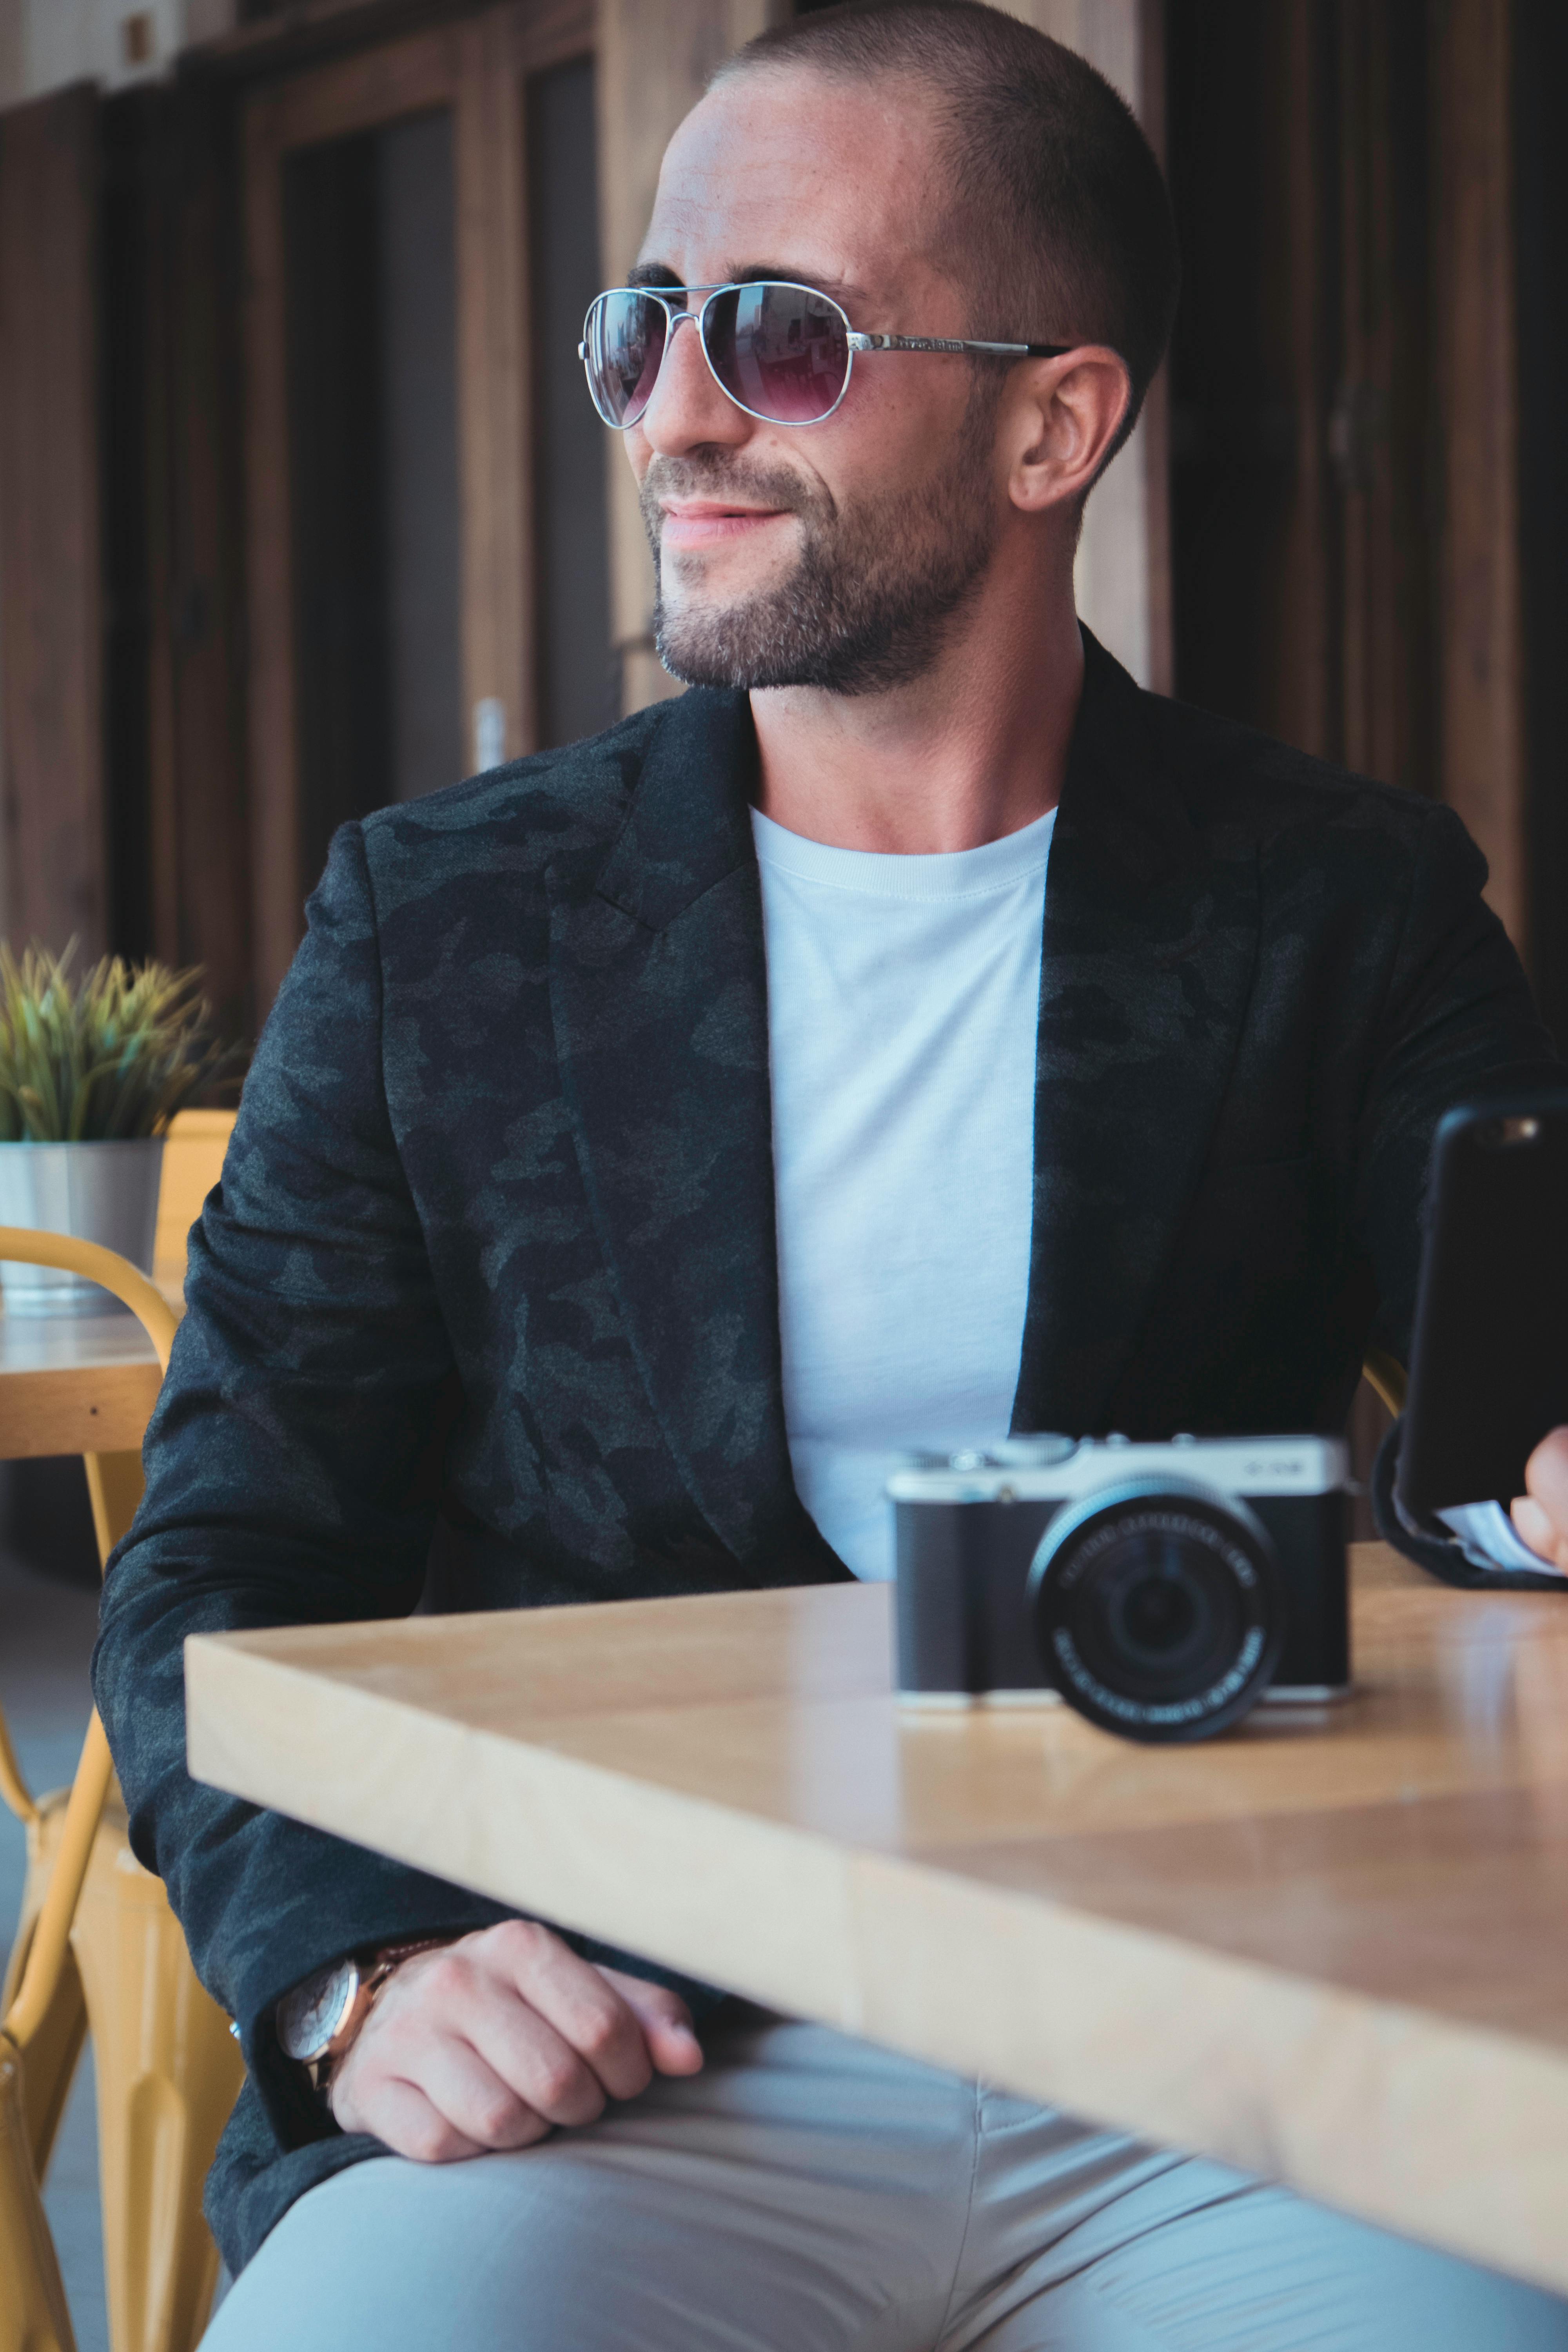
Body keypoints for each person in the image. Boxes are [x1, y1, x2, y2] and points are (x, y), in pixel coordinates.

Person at [94, 4, 1568, 2345]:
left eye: (782, 335)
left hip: (1210, 2037)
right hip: (631, 2054)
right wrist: (356, 1980)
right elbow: (221, 1563)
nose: (675, 410)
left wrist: (1534, 1476)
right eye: (644, 327)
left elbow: (1513, 1406)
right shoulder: (445, 920)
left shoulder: (1343, 904)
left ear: (1051, 421)